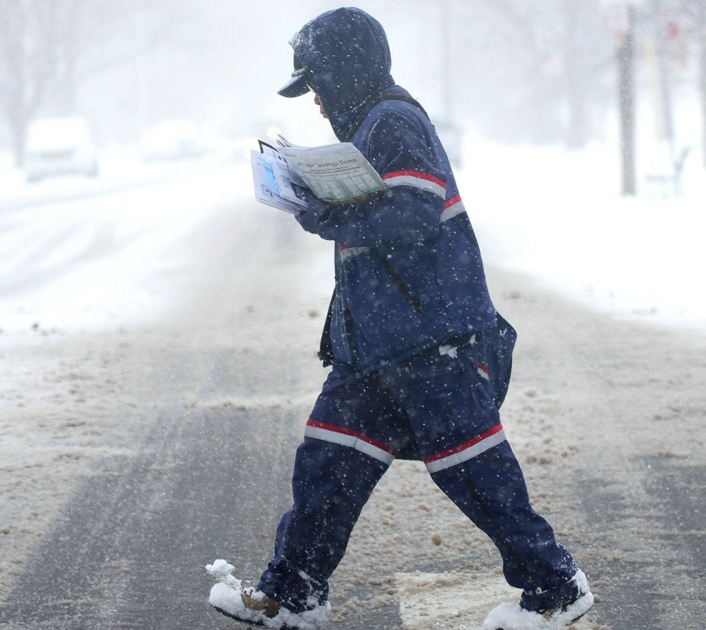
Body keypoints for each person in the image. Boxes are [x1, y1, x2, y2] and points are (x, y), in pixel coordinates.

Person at [208, 7, 593, 630]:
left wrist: (322, 214)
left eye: (317, 86)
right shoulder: (369, 128)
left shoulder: (393, 123)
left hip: (429, 340)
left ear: (346, 73)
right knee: (326, 469)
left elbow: (414, 213)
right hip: (376, 349)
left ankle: (554, 587)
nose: (316, 103)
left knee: (476, 474)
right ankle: (293, 593)